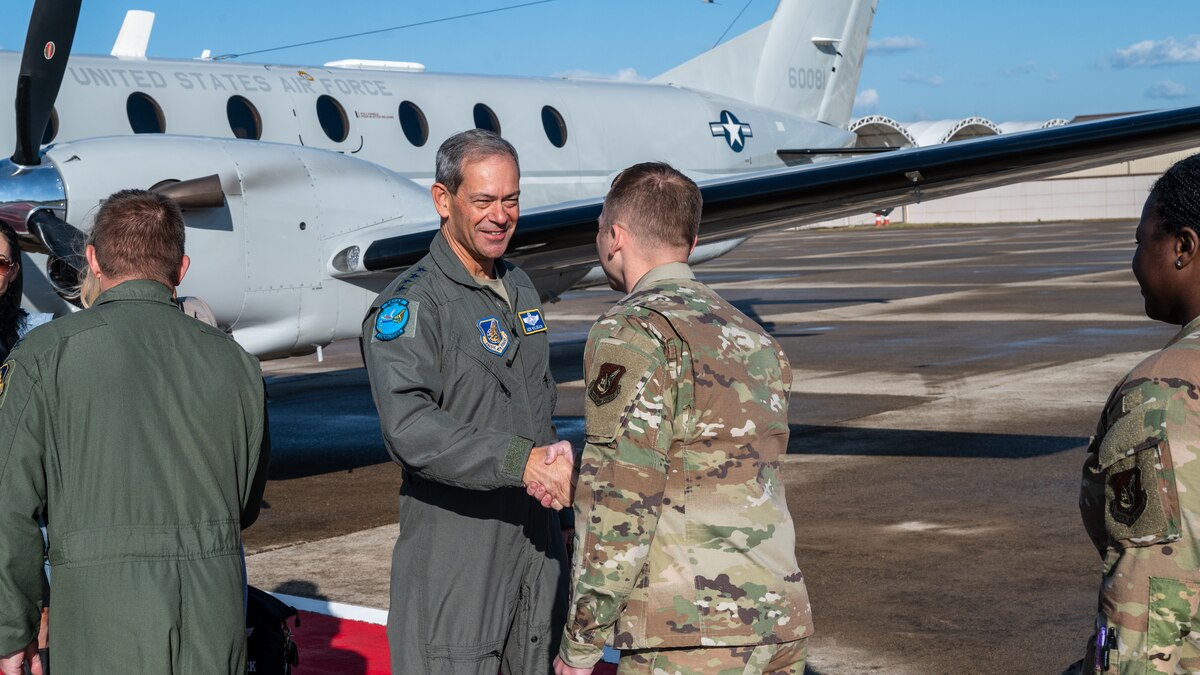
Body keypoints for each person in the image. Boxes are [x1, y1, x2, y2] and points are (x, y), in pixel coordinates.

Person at [552, 162, 812, 675]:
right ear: (690, 243)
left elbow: (620, 500)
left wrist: (581, 644)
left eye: (600, 226)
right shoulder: (755, 337)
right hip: (778, 621)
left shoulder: (632, 332)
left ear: (616, 237)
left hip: (689, 633)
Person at [0, 189, 270, 674]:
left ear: (92, 260)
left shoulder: (43, 356)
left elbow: (9, 508)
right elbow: (244, 503)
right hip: (213, 616)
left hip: (102, 622)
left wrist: (12, 630)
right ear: (180, 268)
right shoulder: (237, 364)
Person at [361, 129, 575, 674]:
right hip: (459, 551)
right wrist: (516, 461)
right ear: (443, 200)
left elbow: (535, 400)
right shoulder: (413, 305)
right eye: (483, 201)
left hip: (535, 540)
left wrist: (559, 493)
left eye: (511, 200)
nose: (500, 216)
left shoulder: (520, 286)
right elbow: (409, 428)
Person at [1077, 154, 1200, 674]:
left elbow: (1153, 622)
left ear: (1182, 247)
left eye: (1139, 239)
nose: (1133, 261)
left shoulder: (1164, 392)